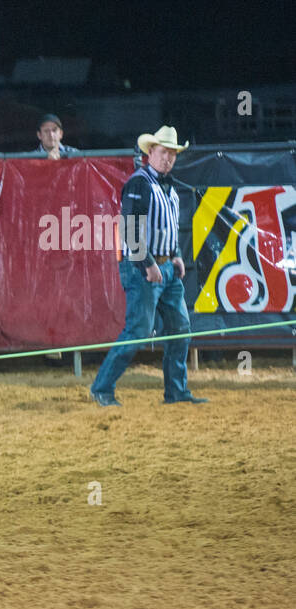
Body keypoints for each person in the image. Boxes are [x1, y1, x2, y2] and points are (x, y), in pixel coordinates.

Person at [89, 126, 207, 407]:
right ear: (150, 152)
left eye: (172, 154)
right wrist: (148, 264)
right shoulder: (139, 184)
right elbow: (130, 231)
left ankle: (176, 392)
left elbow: (169, 228)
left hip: (165, 269)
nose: (168, 158)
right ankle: (101, 388)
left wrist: (176, 254)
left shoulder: (169, 187)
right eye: (163, 152)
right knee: (138, 331)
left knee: (180, 328)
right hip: (144, 269)